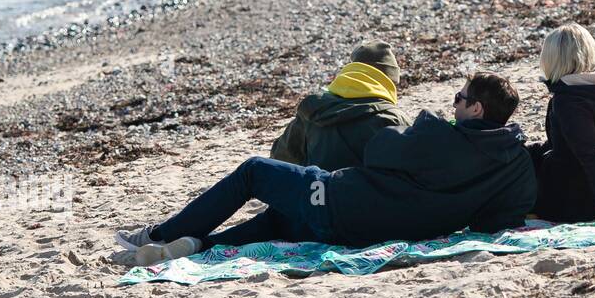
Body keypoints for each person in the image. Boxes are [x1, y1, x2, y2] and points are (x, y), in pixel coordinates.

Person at [114, 72, 535, 265]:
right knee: (279, 222)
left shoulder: (441, 135)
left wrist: (426, 124)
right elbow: (494, 219)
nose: (453, 103)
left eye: (460, 98)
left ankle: (160, 234)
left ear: (476, 108)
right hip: (372, 231)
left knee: (255, 171)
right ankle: (198, 246)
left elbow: (378, 151)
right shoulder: (512, 160)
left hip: (341, 201)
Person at [527, 23, 595, 222]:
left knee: (521, 162)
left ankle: (530, 210)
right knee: (531, 152)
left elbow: (594, 155)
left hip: (578, 198)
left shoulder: (569, 101)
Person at [269, 40, 409, 171]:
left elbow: (279, 158)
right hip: (369, 195)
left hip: (319, 194)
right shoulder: (394, 118)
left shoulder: (315, 109)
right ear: (388, 81)